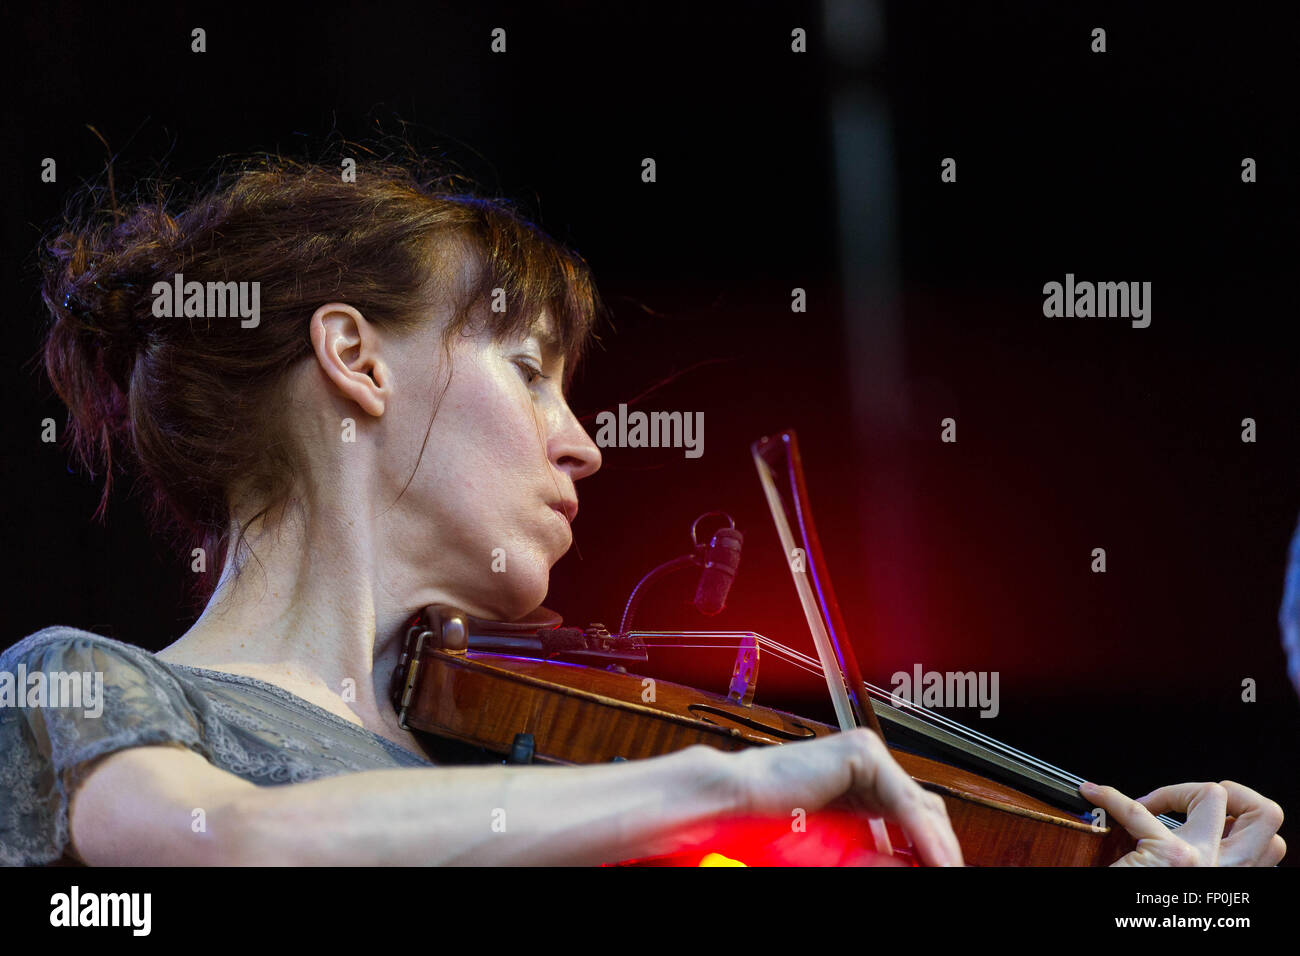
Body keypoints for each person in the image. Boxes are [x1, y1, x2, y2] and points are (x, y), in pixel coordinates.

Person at [0, 153, 1284, 867]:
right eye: (530, 369)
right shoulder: (89, 690)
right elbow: (229, 842)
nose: (585, 443)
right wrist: (748, 778)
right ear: (357, 359)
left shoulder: (525, 768)